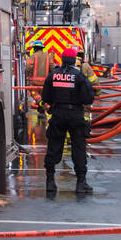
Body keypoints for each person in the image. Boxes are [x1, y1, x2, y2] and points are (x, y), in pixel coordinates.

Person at [41, 46, 95, 196]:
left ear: (62, 59)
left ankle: (50, 182)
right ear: (74, 60)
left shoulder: (53, 75)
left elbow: (45, 96)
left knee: (53, 147)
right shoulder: (78, 76)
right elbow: (88, 97)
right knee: (78, 147)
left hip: (57, 115)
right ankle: (80, 183)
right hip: (75, 116)